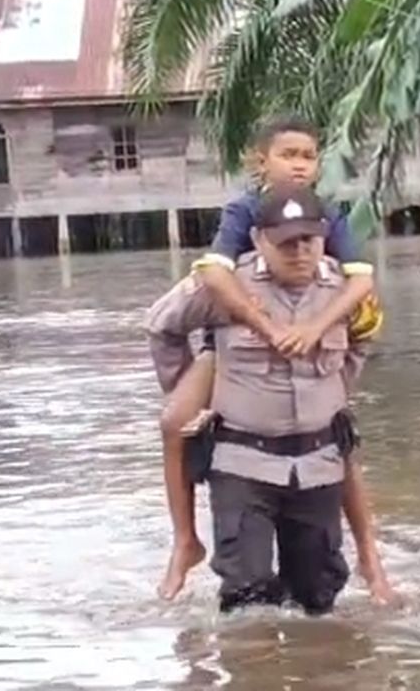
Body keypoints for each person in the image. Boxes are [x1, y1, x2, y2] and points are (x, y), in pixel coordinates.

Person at [156, 116, 382, 600]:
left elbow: (363, 306)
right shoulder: (243, 213)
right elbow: (189, 298)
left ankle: (371, 559)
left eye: (308, 156)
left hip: (315, 446)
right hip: (228, 365)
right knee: (176, 420)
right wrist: (199, 387)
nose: (299, 165)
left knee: (342, 437)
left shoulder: (334, 233)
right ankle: (184, 541)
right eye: (288, 155)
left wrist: (320, 340)